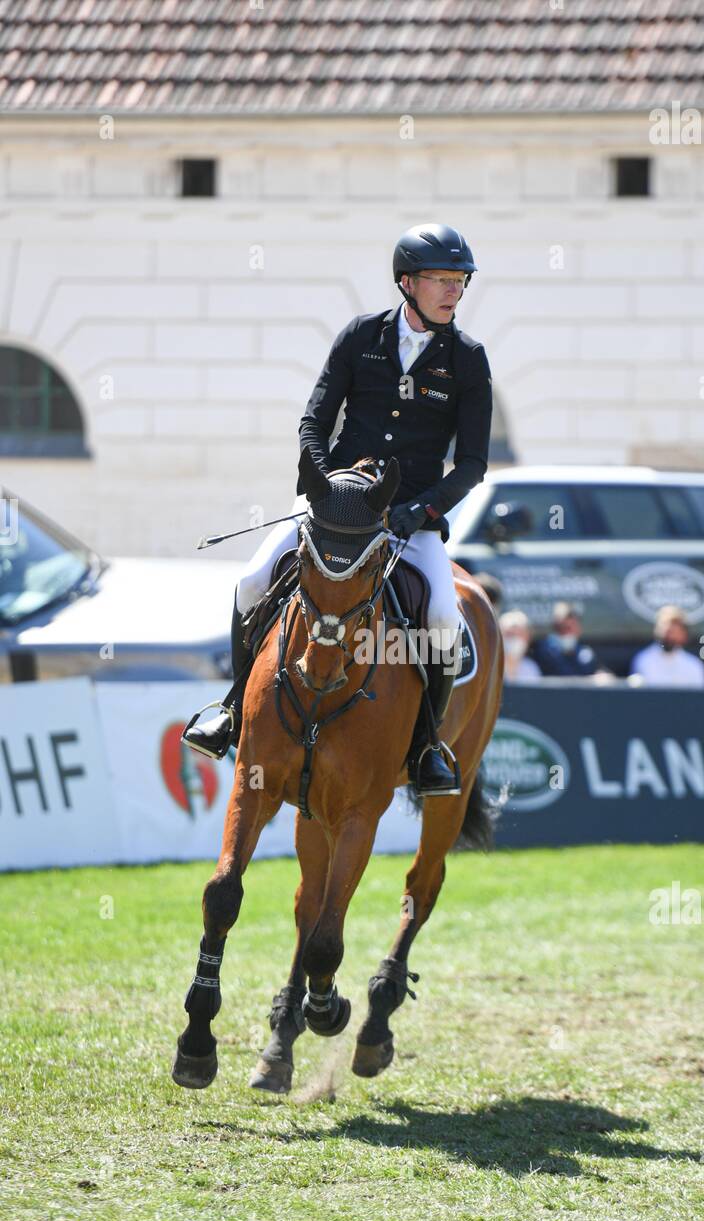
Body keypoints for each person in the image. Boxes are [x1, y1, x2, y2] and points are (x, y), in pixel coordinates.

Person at [183, 223, 493, 795]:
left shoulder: (468, 360)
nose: (454, 291)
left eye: (460, 281)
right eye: (442, 280)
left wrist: (421, 509)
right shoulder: (360, 337)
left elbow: (473, 463)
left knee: (445, 620)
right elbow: (314, 420)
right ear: (408, 282)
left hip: (409, 520)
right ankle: (230, 709)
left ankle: (426, 747)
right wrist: (324, 485)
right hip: (335, 509)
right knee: (252, 581)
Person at [630, 605, 704, 688]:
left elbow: (700, 698)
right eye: (666, 630)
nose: (669, 637)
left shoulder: (694, 666)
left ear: (683, 635)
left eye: (674, 632)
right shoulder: (643, 660)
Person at [532, 601, 599, 678]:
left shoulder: (583, 650)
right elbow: (564, 674)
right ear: (556, 626)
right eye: (565, 627)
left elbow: (589, 672)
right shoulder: (544, 649)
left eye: (573, 624)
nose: (569, 628)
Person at [500, 610, 544, 684]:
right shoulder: (491, 668)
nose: (514, 639)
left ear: (527, 637)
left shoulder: (531, 668)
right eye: (510, 634)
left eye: (519, 634)